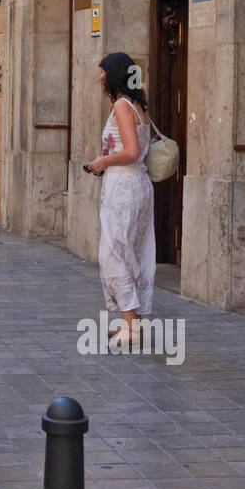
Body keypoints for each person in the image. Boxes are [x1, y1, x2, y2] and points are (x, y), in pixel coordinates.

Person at [87, 52, 155, 346]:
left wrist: (102, 162)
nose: (99, 77)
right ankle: (134, 324)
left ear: (113, 75)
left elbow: (130, 150)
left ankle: (130, 325)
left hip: (124, 185)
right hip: (137, 183)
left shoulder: (121, 106)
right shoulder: (139, 105)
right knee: (132, 250)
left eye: (102, 72)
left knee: (113, 252)